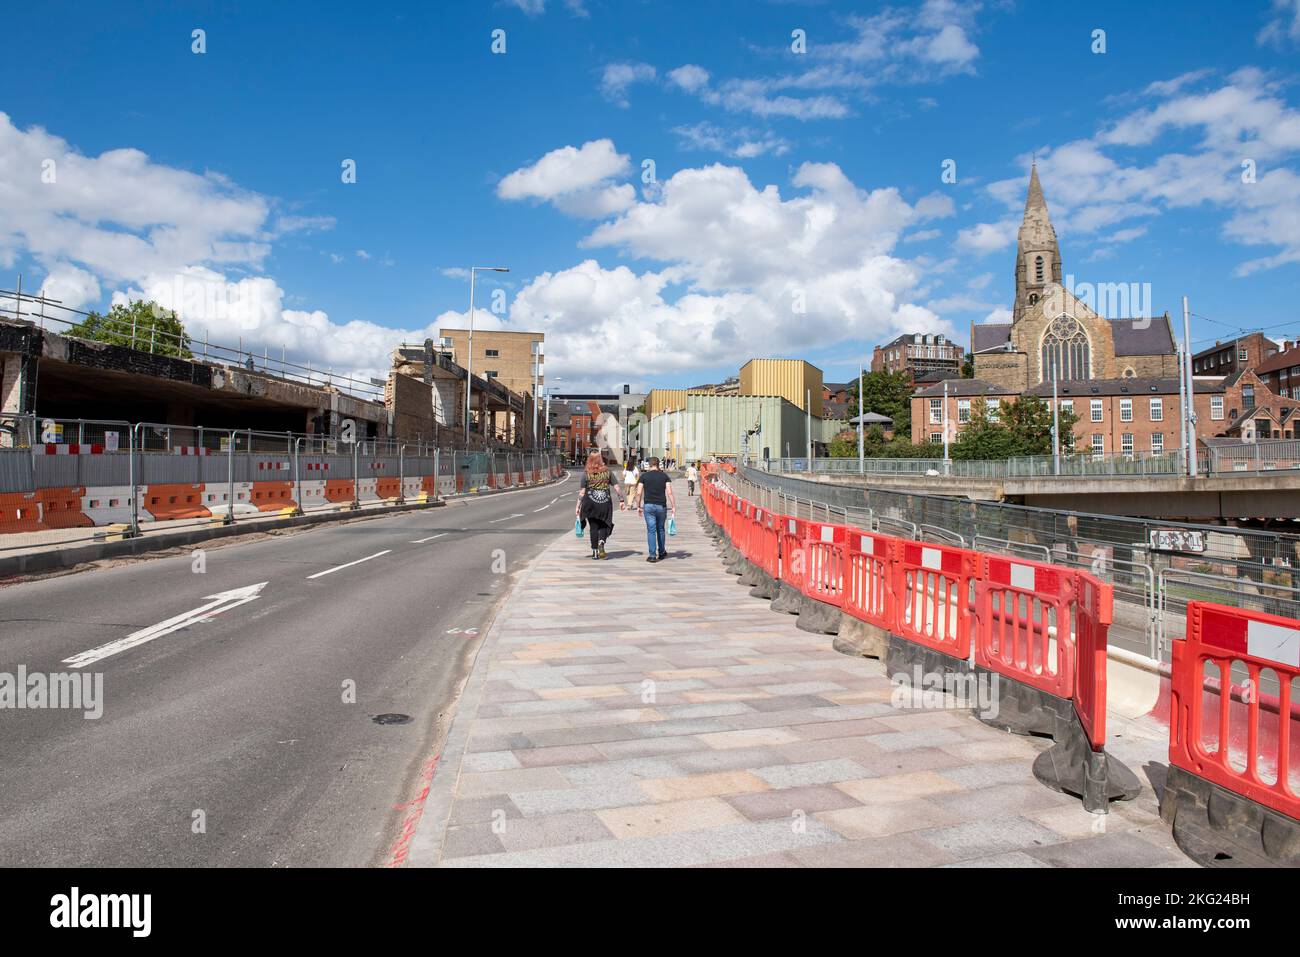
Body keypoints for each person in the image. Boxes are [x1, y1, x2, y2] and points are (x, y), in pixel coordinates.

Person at [575, 450, 622, 559]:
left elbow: (582, 492)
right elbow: (617, 487)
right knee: (604, 524)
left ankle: (595, 551)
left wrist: (578, 506)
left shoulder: (586, 473)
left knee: (593, 527)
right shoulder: (607, 472)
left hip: (590, 504)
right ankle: (601, 542)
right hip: (604, 503)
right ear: (600, 459)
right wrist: (622, 500)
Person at [634, 456, 676, 563]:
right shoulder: (664, 476)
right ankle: (661, 552)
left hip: (648, 506)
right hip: (661, 506)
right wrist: (673, 506)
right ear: (658, 465)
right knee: (661, 529)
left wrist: (638, 506)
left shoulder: (644, 476)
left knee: (651, 530)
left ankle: (652, 555)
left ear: (649, 465)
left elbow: (638, 493)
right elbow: (670, 492)